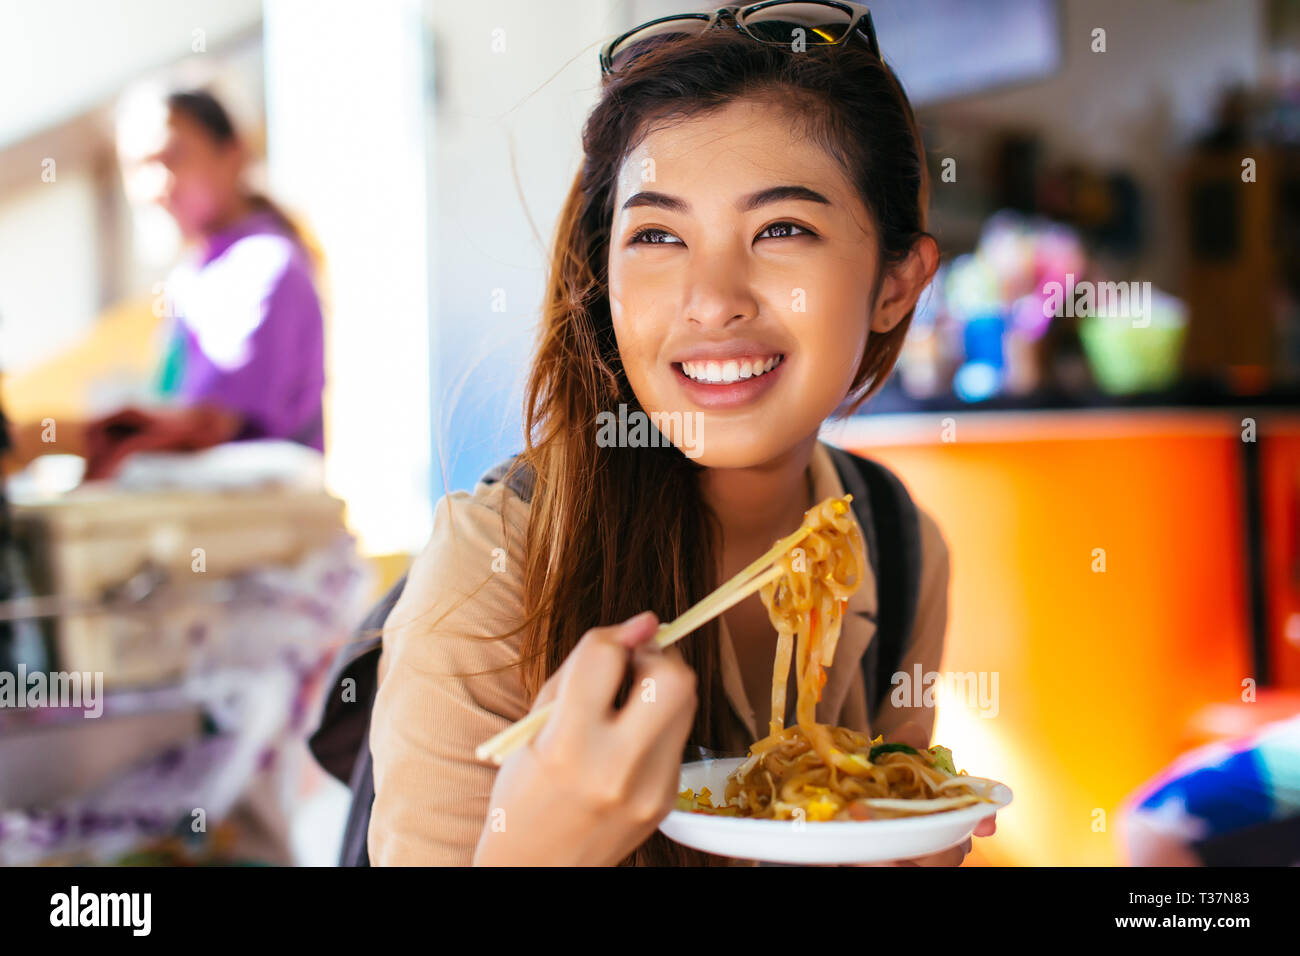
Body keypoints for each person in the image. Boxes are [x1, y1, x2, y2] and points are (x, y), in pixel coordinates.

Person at [367, 3, 996, 866]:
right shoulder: (490, 573)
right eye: (657, 235)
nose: (710, 299)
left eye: (781, 229)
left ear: (896, 283)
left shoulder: (894, 539)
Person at [84, 88, 326, 480]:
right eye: (136, 167)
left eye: (172, 157)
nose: (153, 186)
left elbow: (213, 426)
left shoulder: (264, 265)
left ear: (233, 155)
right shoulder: (195, 273)